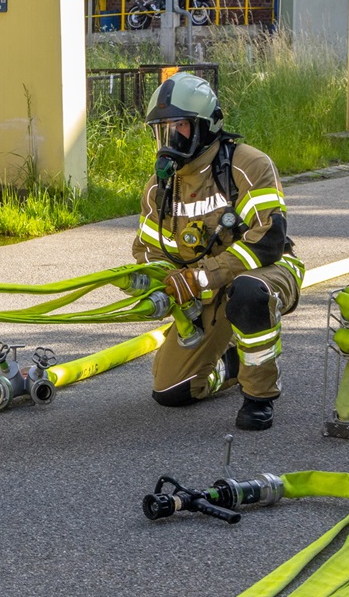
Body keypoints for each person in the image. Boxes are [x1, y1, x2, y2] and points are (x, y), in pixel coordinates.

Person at [133, 72, 304, 431]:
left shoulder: (248, 165)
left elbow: (269, 240)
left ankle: (259, 396)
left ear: (207, 126)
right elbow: (148, 250)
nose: (169, 139)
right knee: (172, 391)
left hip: (266, 271)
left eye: (179, 127)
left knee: (248, 293)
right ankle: (231, 366)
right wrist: (162, 282)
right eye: (162, 130)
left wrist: (202, 276)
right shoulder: (160, 187)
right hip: (203, 288)